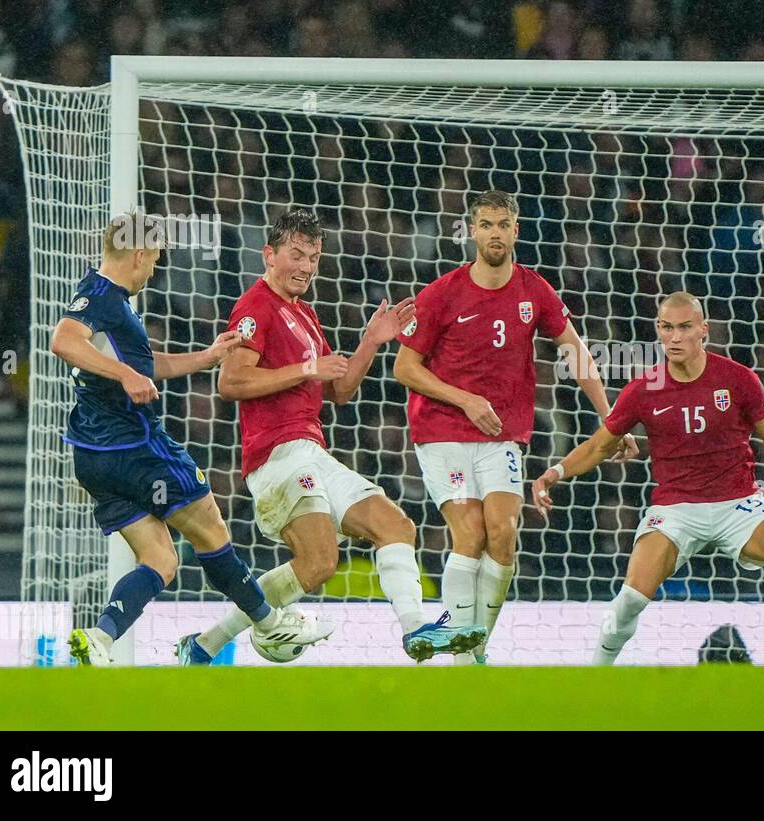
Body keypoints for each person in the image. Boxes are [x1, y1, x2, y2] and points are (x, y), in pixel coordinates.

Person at [179, 209, 484, 665]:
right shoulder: (255, 306)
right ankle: (206, 643)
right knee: (319, 563)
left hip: (312, 452)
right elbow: (231, 383)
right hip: (277, 455)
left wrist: (370, 342)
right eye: (296, 254)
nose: (306, 266)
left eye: (314, 257)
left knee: (396, 526)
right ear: (270, 254)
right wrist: (307, 368)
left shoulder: (305, 315)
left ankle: (417, 630)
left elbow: (339, 390)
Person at [52, 213, 332, 665]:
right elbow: (63, 341)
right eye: (155, 258)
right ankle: (267, 623)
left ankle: (100, 639)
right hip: (136, 448)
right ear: (139, 253)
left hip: (93, 458)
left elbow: (147, 365)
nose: (154, 268)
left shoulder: (115, 302)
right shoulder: (101, 296)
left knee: (160, 559)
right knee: (211, 529)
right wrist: (124, 374)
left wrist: (207, 356)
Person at [394, 189, 636, 664]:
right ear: (471, 232)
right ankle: (464, 660)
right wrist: (465, 400)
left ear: (515, 230)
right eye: (485, 225)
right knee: (470, 536)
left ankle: (475, 643)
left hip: (502, 434)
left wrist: (610, 415)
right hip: (442, 430)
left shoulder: (534, 290)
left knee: (503, 534)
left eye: (502, 224)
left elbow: (575, 351)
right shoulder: (442, 292)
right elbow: (405, 368)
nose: (495, 233)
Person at [532, 292, 764, 666]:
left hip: (738, 502)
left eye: (685, 327)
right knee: (632, 597)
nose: (674, 337)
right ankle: (596, 672)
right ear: (658, 330)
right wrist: (555, 472)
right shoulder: (645, 388)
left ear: (703, 330)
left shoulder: (737, 379)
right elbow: (600, 445)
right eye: (667, 328)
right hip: (675, 509)